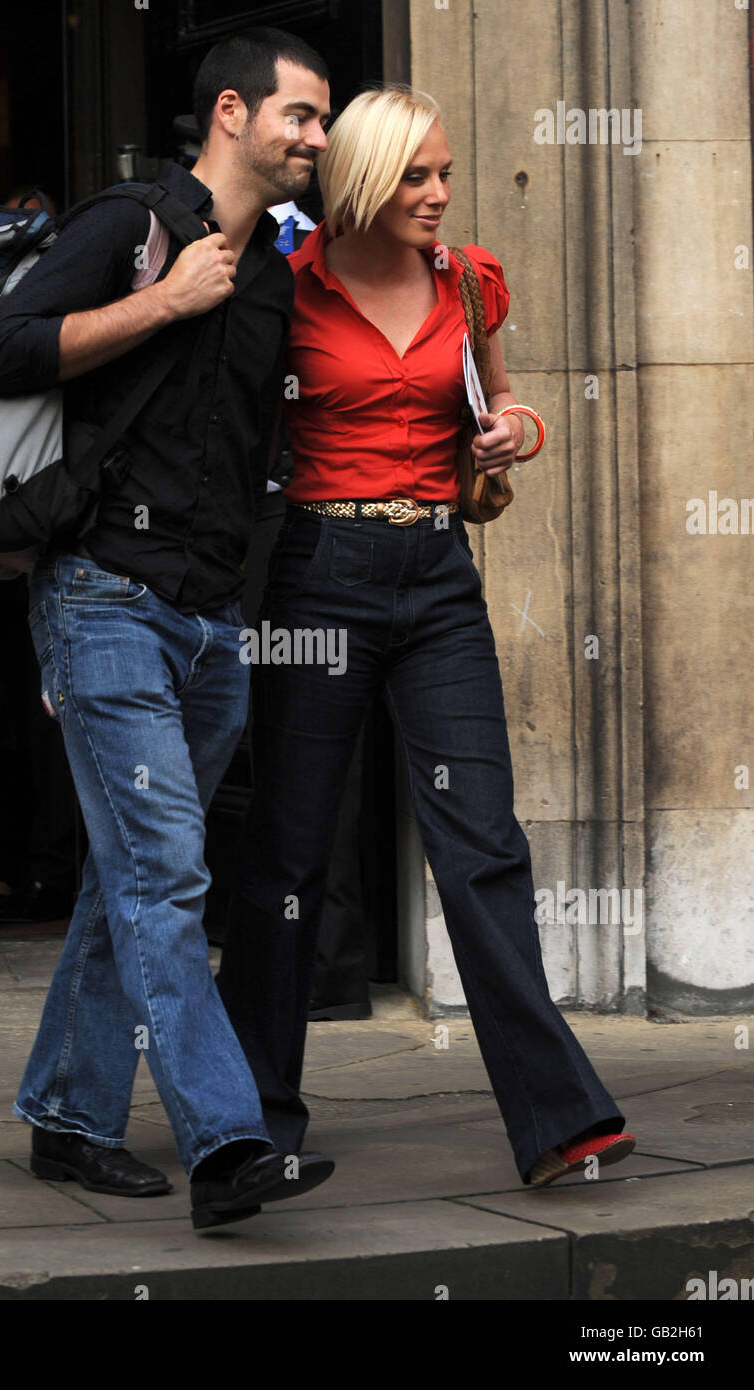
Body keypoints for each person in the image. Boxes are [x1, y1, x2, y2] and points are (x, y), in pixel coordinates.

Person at [217, 85, 637, 1190]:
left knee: (483, 842)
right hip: (320, 572)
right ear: (360, 180)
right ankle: (249, 1122)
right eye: (415, 177)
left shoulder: (464, 279)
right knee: (290, 853)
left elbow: (497, 411)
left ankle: (557, 1119)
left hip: (437, 571)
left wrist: (517, 435)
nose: (440, 195)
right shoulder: (287, 287)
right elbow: (230, 443)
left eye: (443, 172)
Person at [0, 28, 338, 1229]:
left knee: (125, 877)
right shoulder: (129, 224)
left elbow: (258, 457)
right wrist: (163, 301)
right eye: (301, 115)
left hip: (207, 630)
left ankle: (69, 1114)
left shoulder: (278, 273)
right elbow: (8, 348)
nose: (316, 138)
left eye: (326, 120)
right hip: (103, 595)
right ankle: (228, 1141)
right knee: (167, 871)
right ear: (231, 113)